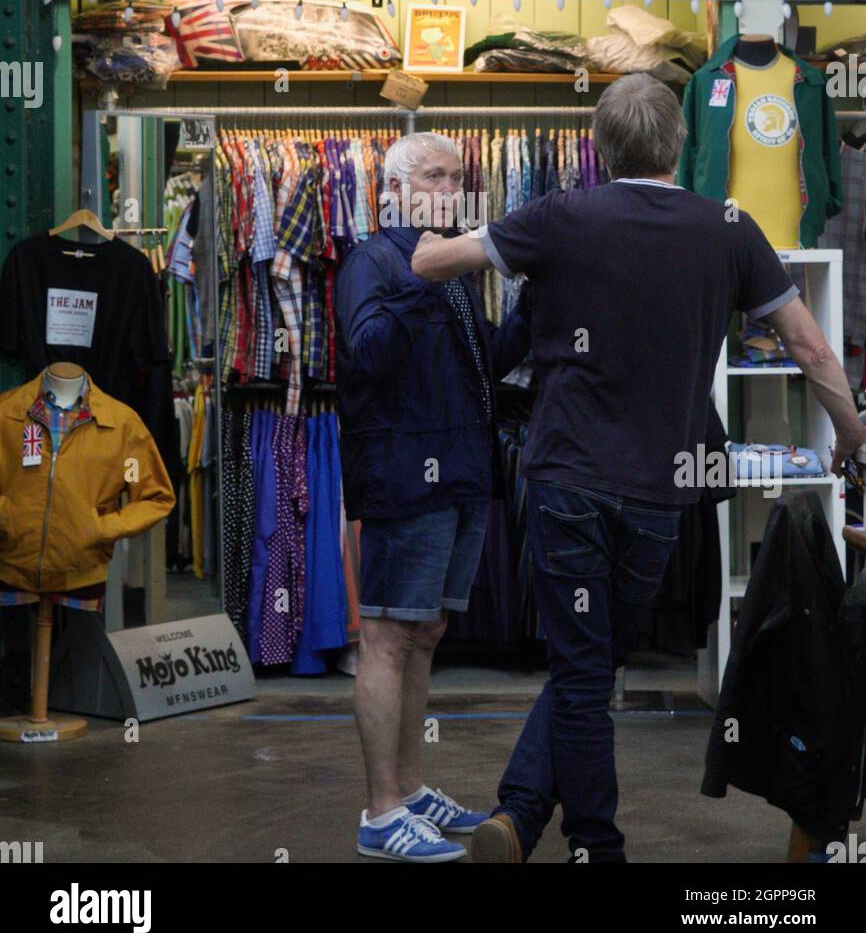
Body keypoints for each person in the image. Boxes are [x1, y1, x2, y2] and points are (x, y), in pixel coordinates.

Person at [412, 72, 866, 864]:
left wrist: (418, 240)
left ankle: (588, 841)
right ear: (679, 145)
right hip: (663, 489)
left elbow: (438, 264)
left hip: (564, 481)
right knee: (595, 664)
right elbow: (812, 347)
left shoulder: (561, 215)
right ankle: (522, 819)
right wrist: (850, 432)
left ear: (597, 146)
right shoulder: (727, 227)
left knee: (583, 672)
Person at [335, 131, 530, 863]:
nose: (452, 192)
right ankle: (381, 812)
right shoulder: (372, 262)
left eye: (457, 179)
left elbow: (488, 361)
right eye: (436, 179)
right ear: (395, 191)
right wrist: (423, 273)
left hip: (460, 477)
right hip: (401, 478)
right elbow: (369, 354)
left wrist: (530, 307)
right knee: (386, 638)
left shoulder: (451, 269)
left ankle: (409, 792)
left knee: (424, 635)